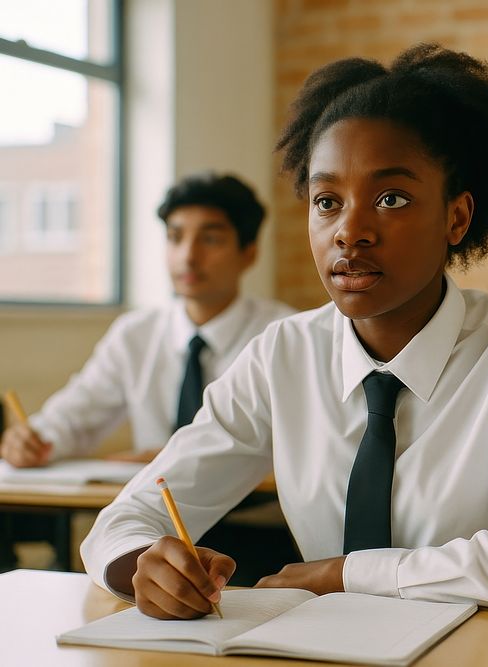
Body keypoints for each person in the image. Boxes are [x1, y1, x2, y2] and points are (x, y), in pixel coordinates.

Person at [81, 43, 488, 620]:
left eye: (391, 199)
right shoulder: (283, 354)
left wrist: (346, 574)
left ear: (456, 217)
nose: (350, 232)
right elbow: (124, 521)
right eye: (327, 201)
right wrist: (144, 565)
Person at [0, 172, 294, 467]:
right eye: (175, 238)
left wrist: (181, 460)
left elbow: (300, 448)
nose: (188, 256)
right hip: (154, 497)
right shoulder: (136, 334)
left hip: (258, 498)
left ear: (249, 254)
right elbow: (74, 417)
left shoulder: (284, 337)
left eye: (210, 239)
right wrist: (32, 440)